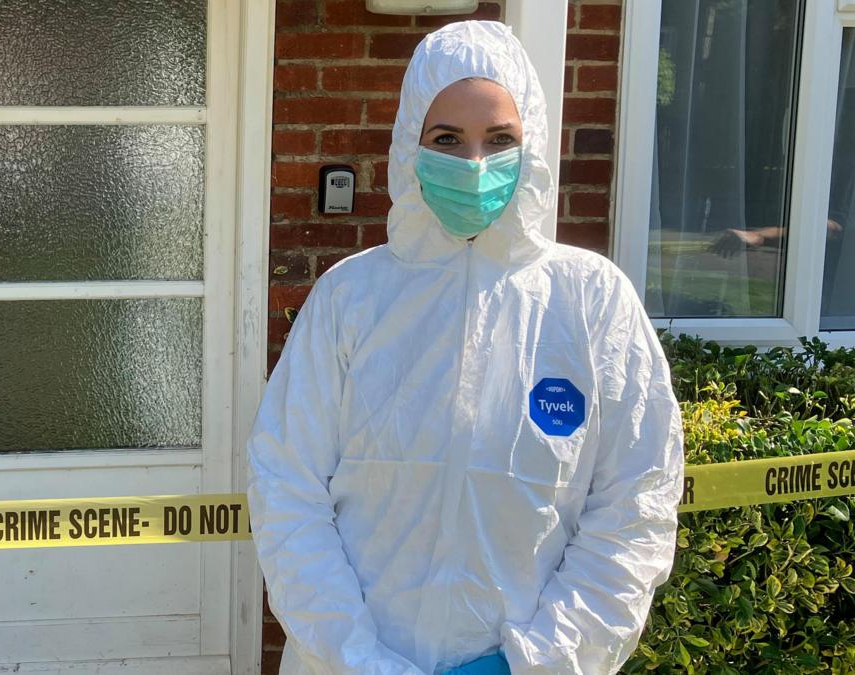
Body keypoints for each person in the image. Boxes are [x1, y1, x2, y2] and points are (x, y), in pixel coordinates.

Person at [245, 20, 684, 675]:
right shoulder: (353, 299)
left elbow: (634, 510)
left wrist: (527, 664)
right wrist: (361, 660)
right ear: (408, 145)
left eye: (500, 139)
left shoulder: (593, 305)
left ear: (530, 145)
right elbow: (288, 491)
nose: (475, 165)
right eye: (447, 139)